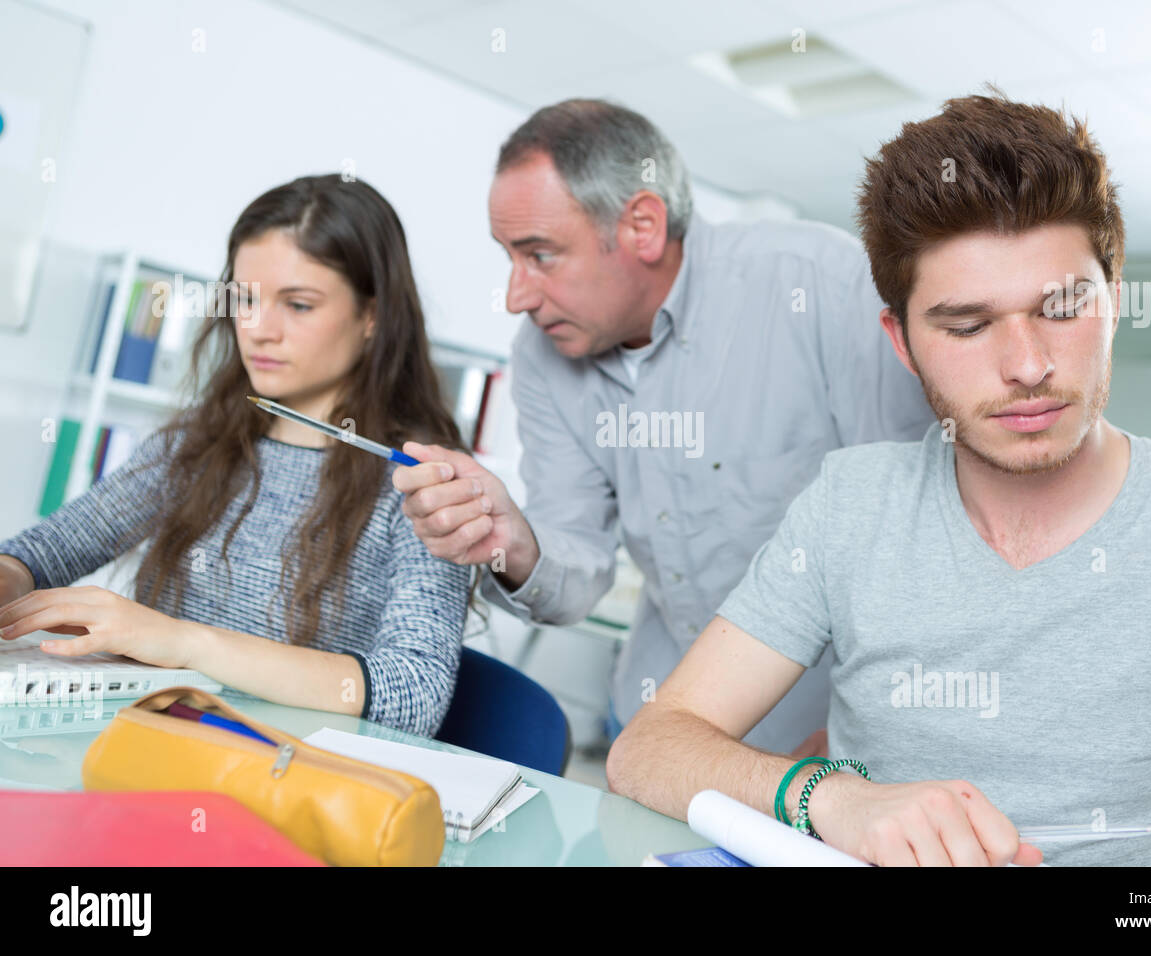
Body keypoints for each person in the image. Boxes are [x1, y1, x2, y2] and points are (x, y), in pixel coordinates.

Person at [604, 92, 1151, 867]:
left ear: (1114, 302)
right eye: (967, 326)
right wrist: (830, 797)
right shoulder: (852, 503)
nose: (1028, 365)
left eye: (1064, 308)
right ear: (901, 343)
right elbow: (647, 749)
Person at [393, 99, 933, 753]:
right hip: (657, 717)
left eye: (539, 255)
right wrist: (513, 539)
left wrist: (868, 733)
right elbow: (577, 575)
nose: (516, 296)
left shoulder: (817, 284)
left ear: (642, 226)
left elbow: (918, 531)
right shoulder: (540, 357)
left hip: (826, 737)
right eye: (509, 257)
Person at [0, 174, 472, 737]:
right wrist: (10, 576)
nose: (258, 329)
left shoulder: (424, 484)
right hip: (152, 749)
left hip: (283, 783)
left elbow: (413, 693)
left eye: (298, 305)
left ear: (372, 316)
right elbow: (44, 552)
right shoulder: (198, 442)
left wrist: (182, 643)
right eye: (244, 298)